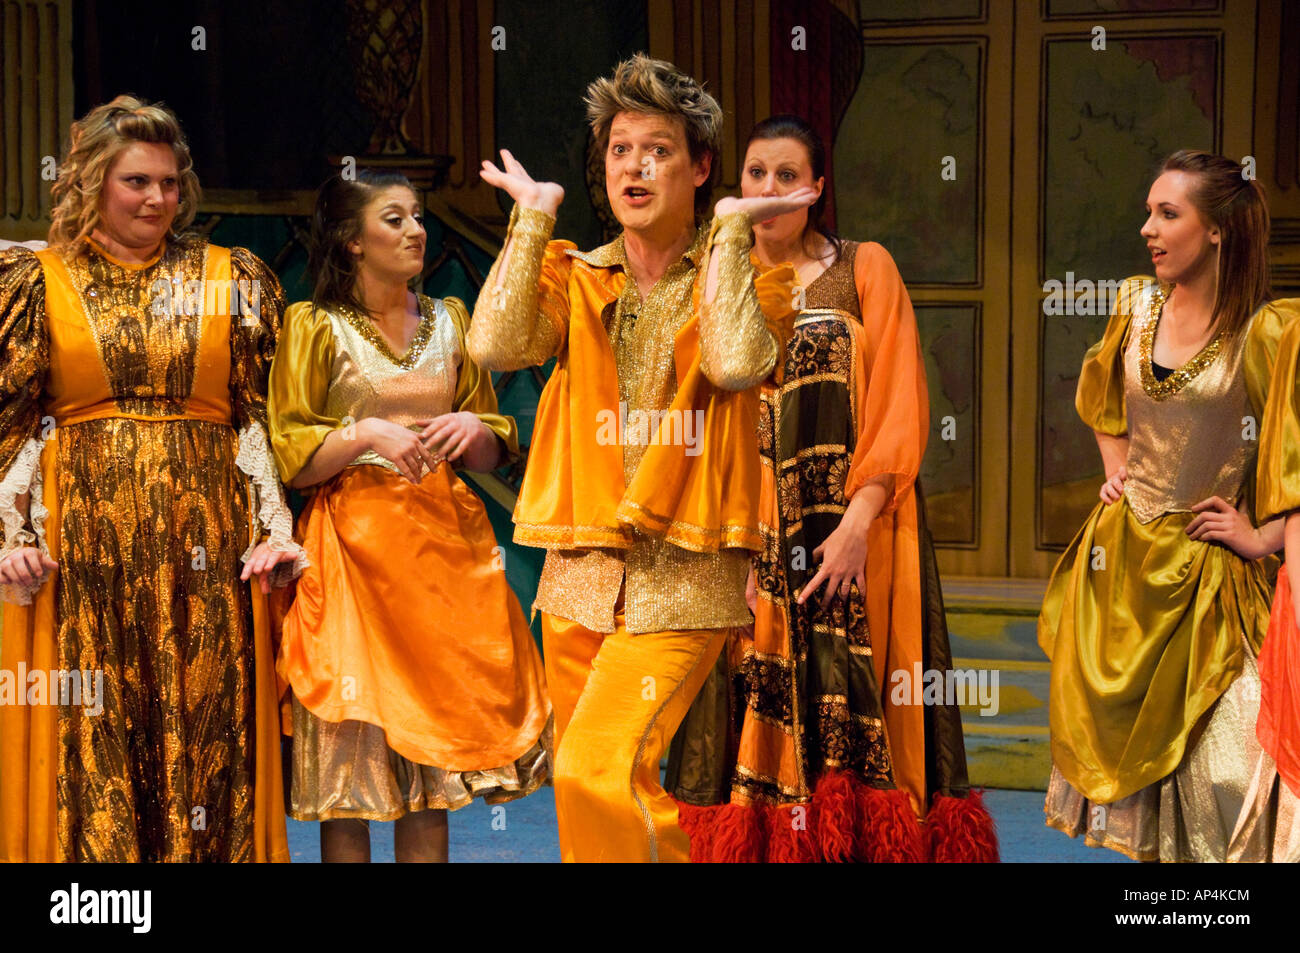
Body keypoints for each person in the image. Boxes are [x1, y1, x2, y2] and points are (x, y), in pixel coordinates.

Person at [467, 53, 814, 862]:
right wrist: (532, 219)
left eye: (657, 150)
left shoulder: (755, 281)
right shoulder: (577, 275)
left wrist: (730, 229)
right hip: (581, 568)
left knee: (600, 763)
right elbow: (495, 343)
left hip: (685, 572)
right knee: (590, 781)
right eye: (620, 149)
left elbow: (734, 363)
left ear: (698, 168)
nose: (634, 165)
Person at [668, 115, 997, 862]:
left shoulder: (864, 267)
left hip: (862, 528)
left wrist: (856, 521)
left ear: (817, 188)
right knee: (757, 716)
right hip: (752, 535)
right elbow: (712, 419)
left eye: (788, 176)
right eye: (756, 174)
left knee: (861, 708)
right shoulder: (718, 280)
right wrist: (738, 550)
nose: (769, 190)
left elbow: (898, 402)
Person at [0, 95, 300, 862]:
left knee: (207, 730)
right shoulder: (38, 281)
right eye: (136, 181)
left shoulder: (233, 277)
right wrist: (12, 535)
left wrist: (275, 529)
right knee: (93, 739)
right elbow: (8, 426)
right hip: (85, 551)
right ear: (92, 183)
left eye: (169, 181)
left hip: (208, 552)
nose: (158, 198)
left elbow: (261, 421)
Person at [268, 170, 552, 863]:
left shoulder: (453, 319)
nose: (415, 230)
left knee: (432, 775)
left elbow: (491, 443)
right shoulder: (315, 326)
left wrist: (468, 428)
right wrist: (366, 433)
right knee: (352, 770)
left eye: (418, 216)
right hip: (353, 557)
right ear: (351, 241)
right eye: (393, 219)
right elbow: (292, 456)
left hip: (441, 555)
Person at [1039, 150, 1298, 862]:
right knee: (1152, 804)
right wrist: (1118, 469)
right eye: (1149, 211)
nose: (1148, 227)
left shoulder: (1267, 331)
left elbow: (1296, 459)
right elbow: (1100, 397)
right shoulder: (1134, 303)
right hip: (1123, 572)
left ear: (1216, 230)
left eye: (1168, 213)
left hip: (1210, 582)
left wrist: (1261, 534)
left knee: (1231, 774)